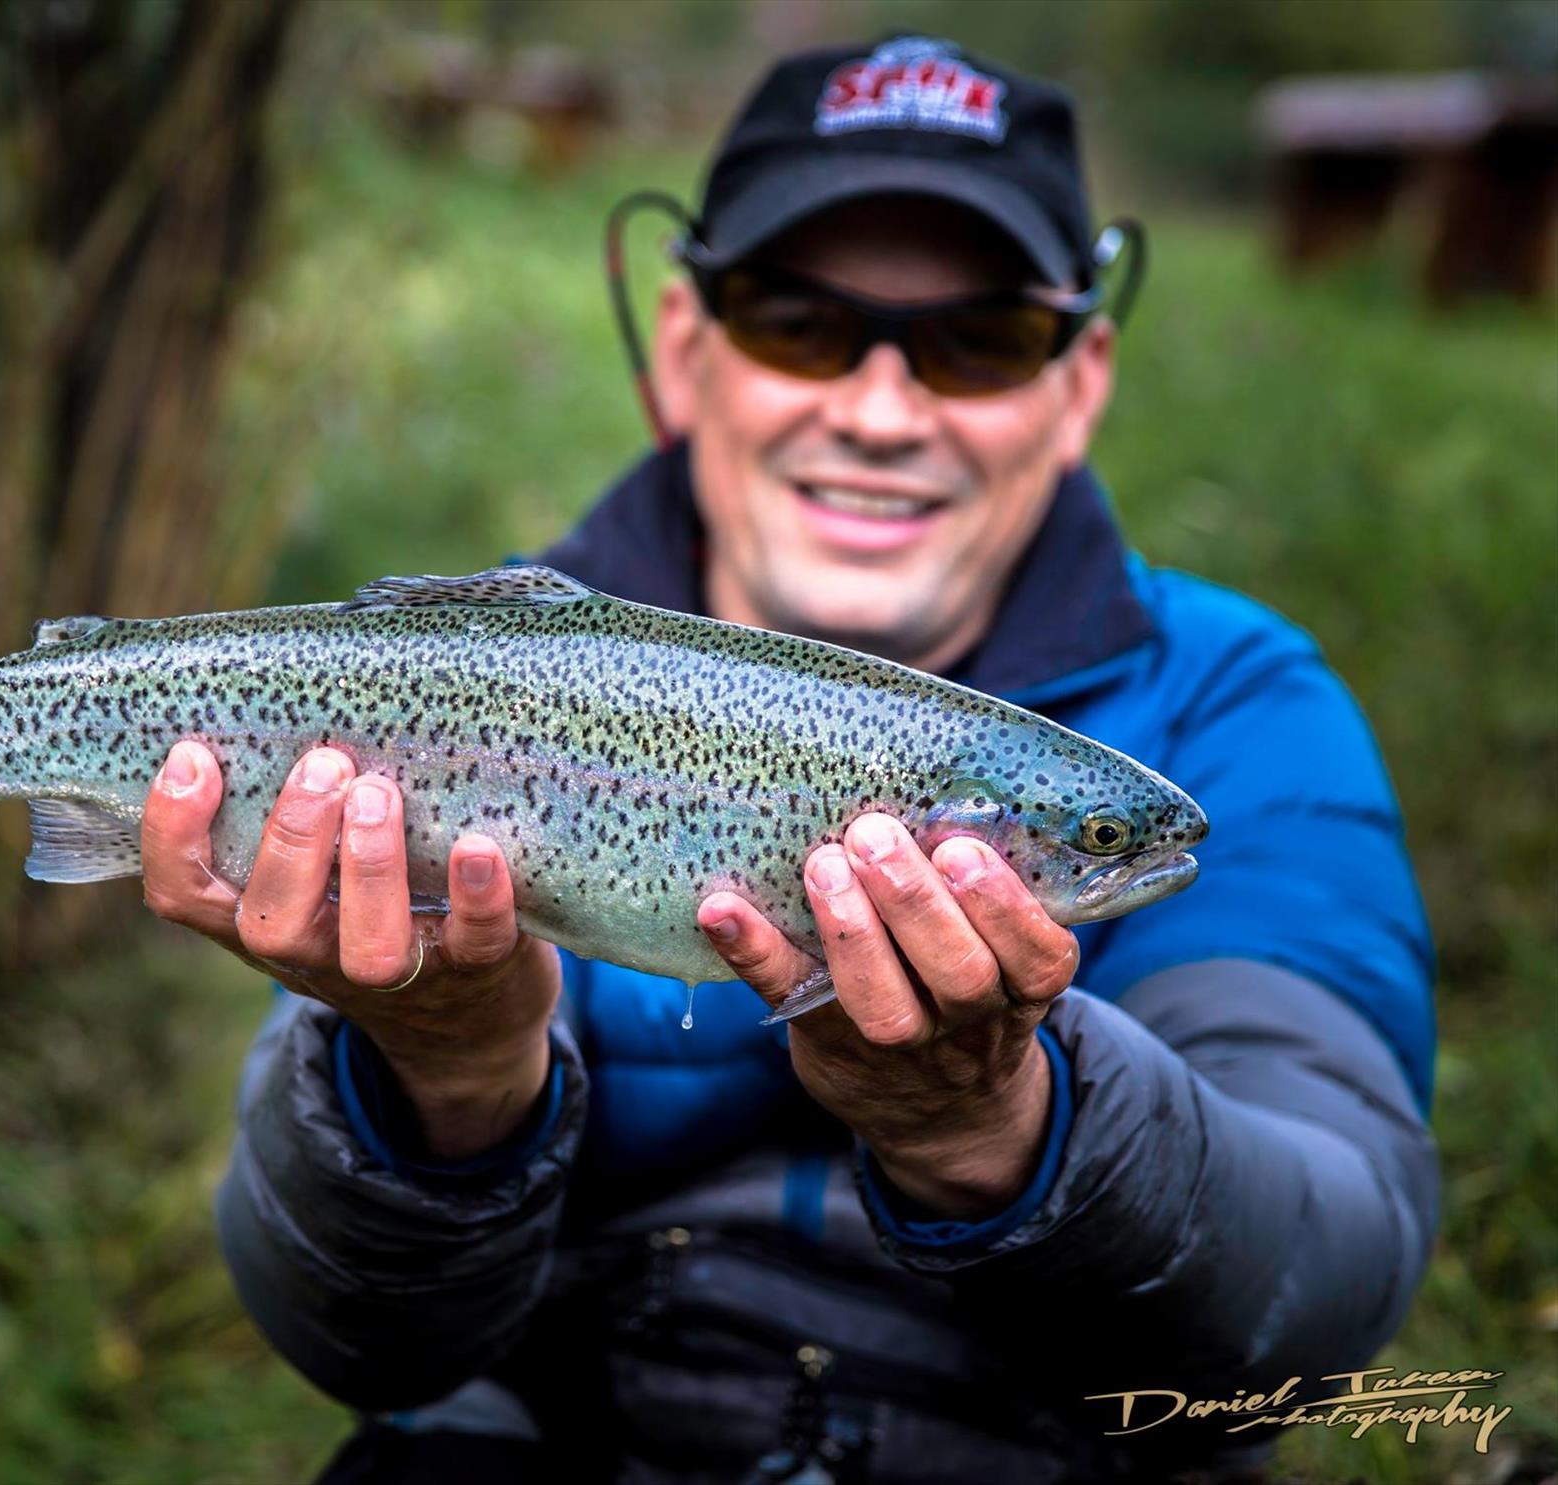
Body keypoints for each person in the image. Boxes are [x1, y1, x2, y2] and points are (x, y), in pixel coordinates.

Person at [141, 35, 1438, 1485]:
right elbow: (358, 1344)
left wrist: (1000, 1121)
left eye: (982, 337)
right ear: (686, 351)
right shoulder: (454, 688)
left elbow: (1315, 1311)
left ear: (1079, 383)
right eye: (799, 323)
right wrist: (449, 1072)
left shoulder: (1237, 710)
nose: (882, 409)